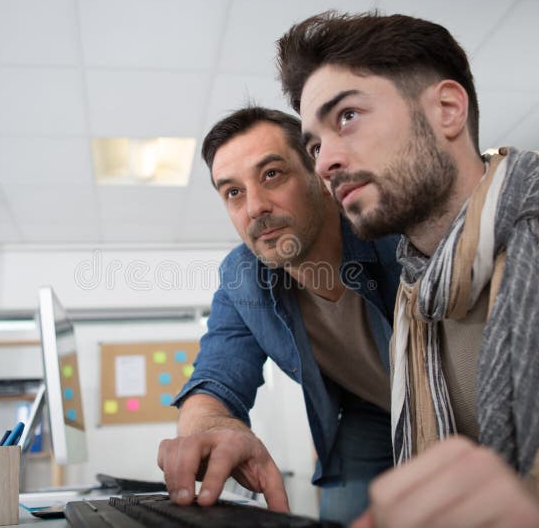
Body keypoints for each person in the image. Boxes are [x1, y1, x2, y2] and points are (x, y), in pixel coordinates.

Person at [277, 11, 539, 527]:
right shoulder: (413, 310)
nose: (324, 161)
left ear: (446, 109)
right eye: (314, 144)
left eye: (346, 116)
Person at [156, 106, 402, 524]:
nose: (254, 207)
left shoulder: (391, 232)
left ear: (320, 174)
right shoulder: (241, 278)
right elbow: (216, 377)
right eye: (233, 192)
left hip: (448, 393)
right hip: (372, 410)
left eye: (272, 174)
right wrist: (213, 428)